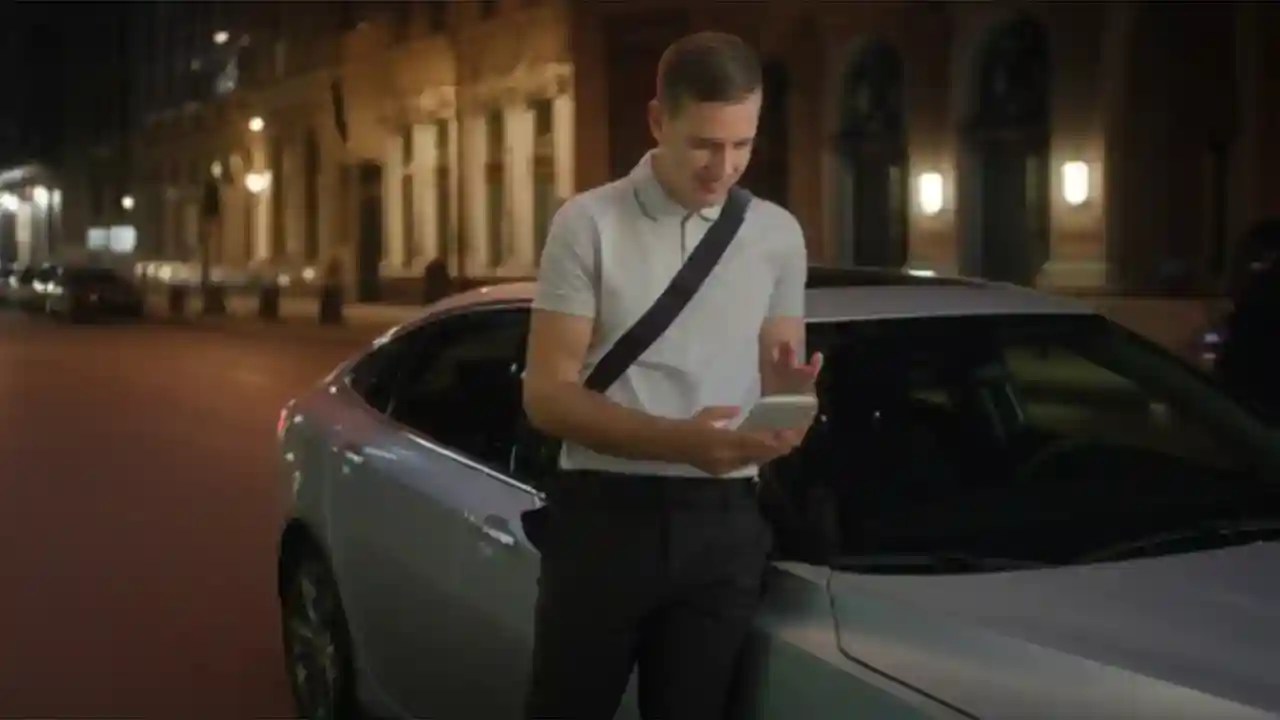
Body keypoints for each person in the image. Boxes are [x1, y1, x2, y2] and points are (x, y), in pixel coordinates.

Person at [521, 30, 821, 720]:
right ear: (658, 121)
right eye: (705, 145)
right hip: (605, 518)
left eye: (742, 145)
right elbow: (547, 395)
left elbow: (779, 374)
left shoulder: (777, 235)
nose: (725, 167)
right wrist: (683, 443)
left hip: (726, 524)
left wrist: (789, 409)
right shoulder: (587, 223)